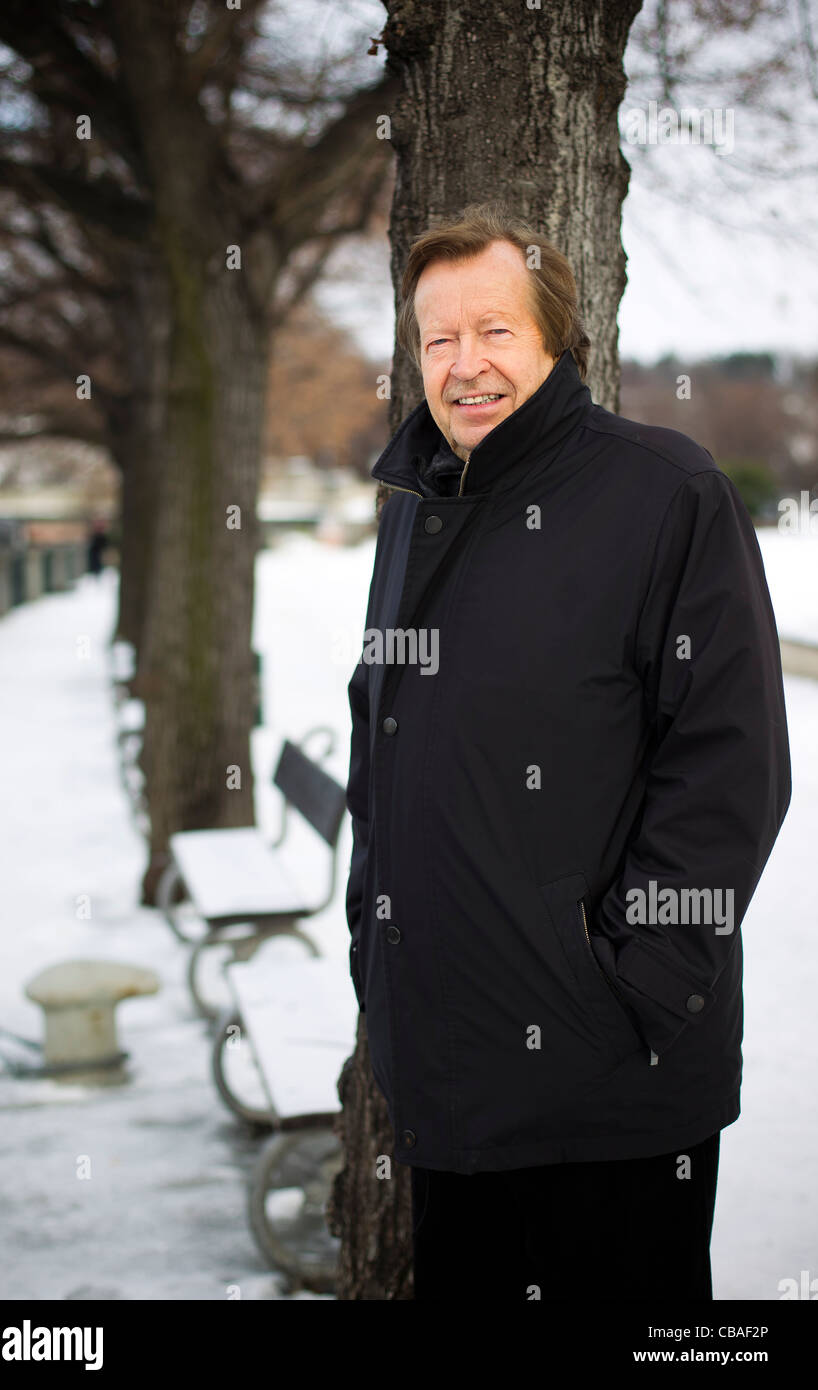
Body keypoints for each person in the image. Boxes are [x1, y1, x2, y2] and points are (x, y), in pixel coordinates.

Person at [344, 202, 791, 1302]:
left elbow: (731, 769)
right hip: (452, 1075)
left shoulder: (662, 493)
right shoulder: (415, 503)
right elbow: (389, 733)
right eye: (437, 338)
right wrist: (375, 941)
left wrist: (632, 985)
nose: (463, 365)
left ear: (555, 340)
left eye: (493, 330)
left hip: (609, 1089)